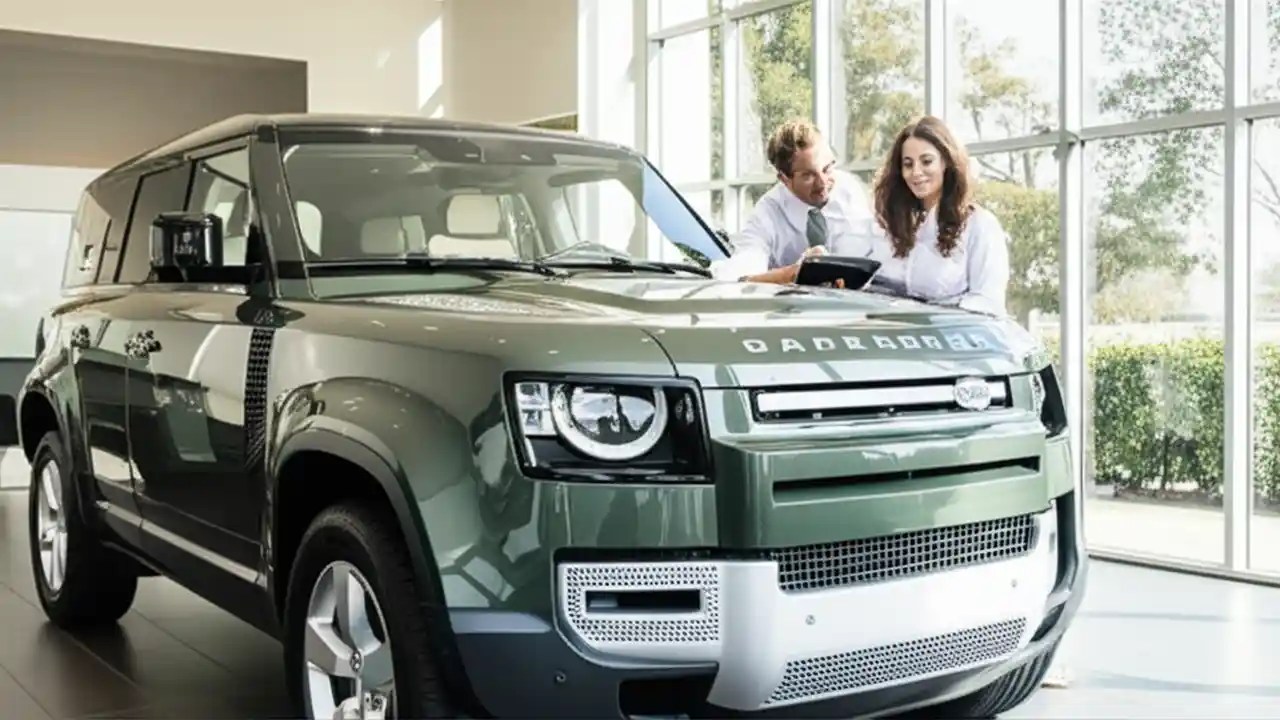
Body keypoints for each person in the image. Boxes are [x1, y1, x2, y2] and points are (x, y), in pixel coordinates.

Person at [863, 115, 1011, 316]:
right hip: (890, 335)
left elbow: (987, 302)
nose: (916, 172)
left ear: (947, 162)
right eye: (908, 164)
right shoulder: (887, 222)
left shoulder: (979, 225)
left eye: (926, 161)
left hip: (949, 339)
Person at [710, 119, 876, 284]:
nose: (823, 183)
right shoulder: (767, 214)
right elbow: (739, 277)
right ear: (784, 178)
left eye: (827, 169)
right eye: (808, 176)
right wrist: (796, 274)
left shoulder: (850, 191)